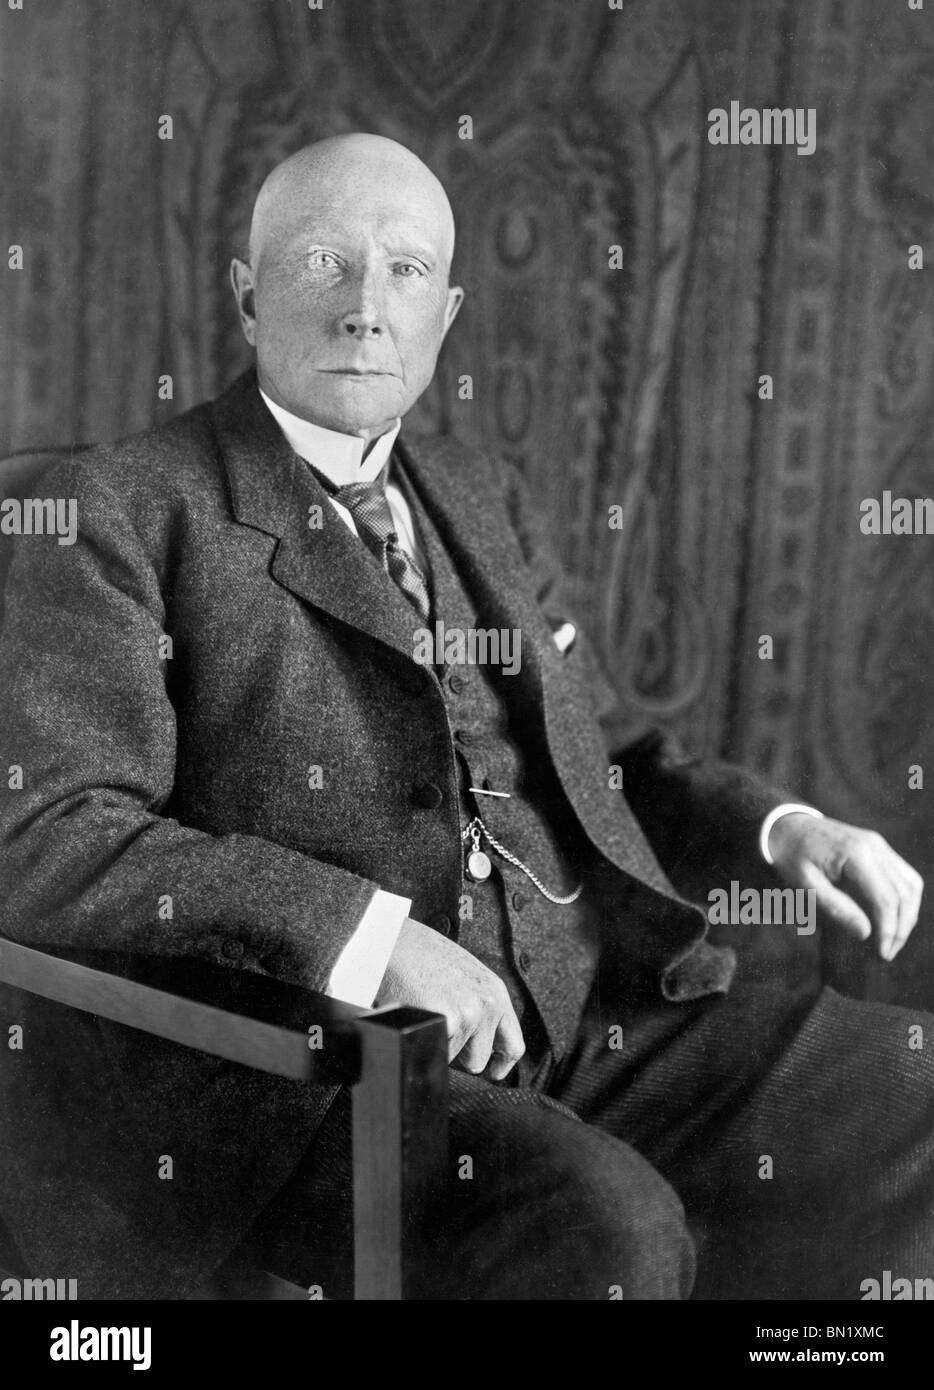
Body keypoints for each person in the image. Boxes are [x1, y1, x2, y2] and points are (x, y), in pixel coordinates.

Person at [0, 133, 929, 1301]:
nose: (363, 308)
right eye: (323, 262)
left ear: (446, 314)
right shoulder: (122, 508)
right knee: (611, 1233)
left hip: (589, 1017)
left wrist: (784, 829)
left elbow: (603, 755)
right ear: (245, 294)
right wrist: (369, 933)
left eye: (401, 273)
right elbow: (48, 831)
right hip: (322, 1072)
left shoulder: (475, 490)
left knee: (904, 1091)